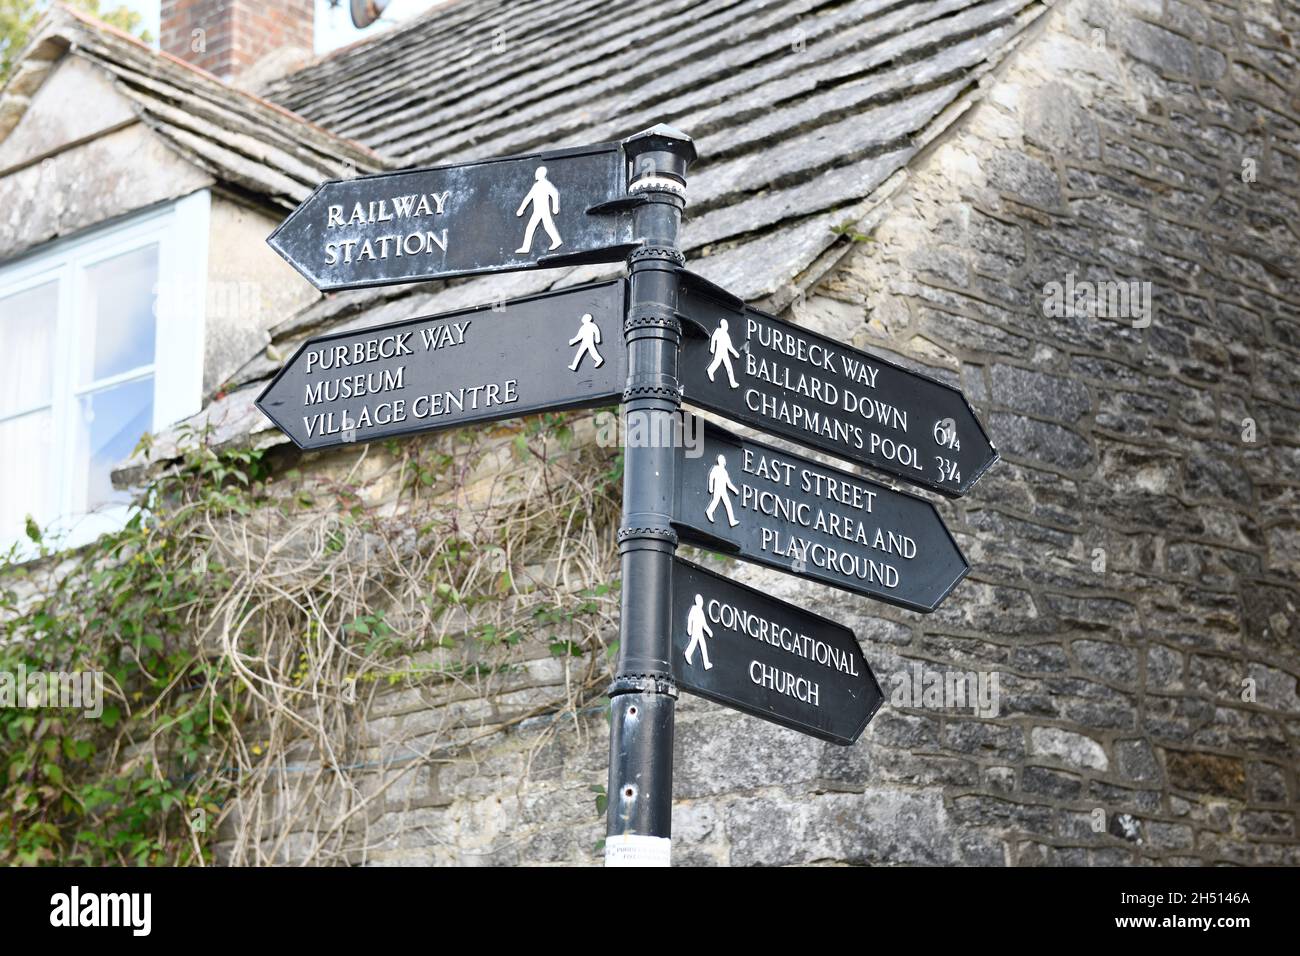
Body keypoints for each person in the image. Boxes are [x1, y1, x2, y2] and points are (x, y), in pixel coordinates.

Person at [515, 166, 562, 253]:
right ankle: (526, 248)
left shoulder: (546, 184)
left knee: (546, 226)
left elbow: (555, 194)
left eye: (538, 173)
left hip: (543, 210)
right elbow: (528, 198)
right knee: (532, 227)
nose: (536, 175)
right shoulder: (536, 186)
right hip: (537, 211)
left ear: (541, 174)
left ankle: (557, 241)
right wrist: (521, 209)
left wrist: (555, 208)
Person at [706, 454, 739, 528]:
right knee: (715, 501)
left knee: (728, 504)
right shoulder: (715, 468)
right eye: (723, 459)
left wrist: (735, 490)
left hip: (723, 491)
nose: (724, 461)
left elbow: (728, 483)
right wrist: (710, 488)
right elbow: (711, 477)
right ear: (720, 461)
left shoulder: (725, 471)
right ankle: (709, 511)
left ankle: (732, 521)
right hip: (717, 489)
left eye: (724, 459)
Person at [707, 318, 741, 388]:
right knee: (717, 362)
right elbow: (713, 339)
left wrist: (735, 353)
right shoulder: (718, 331)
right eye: (726, 324)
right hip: (719, 351)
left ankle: (732, 382)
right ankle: (710, 370)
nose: (727, 326)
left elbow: (729, 346)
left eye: (727, 325)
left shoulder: (726, 335)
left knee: (729, 367)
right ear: (723, 325)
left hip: (725, 353)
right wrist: (712, 348)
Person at [683, 594, 713, 669]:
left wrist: (709, 631)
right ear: (697, 601)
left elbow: (704, 624)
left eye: (701, 601)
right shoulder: (694, 608)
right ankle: (687, 653)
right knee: (693, 642)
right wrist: (689, 628)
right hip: (695, 629)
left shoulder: (701, 611)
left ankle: (706, 664)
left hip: (700, 631)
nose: (701, 602)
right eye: (699, 600)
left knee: (703, 646)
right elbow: (690, 619)